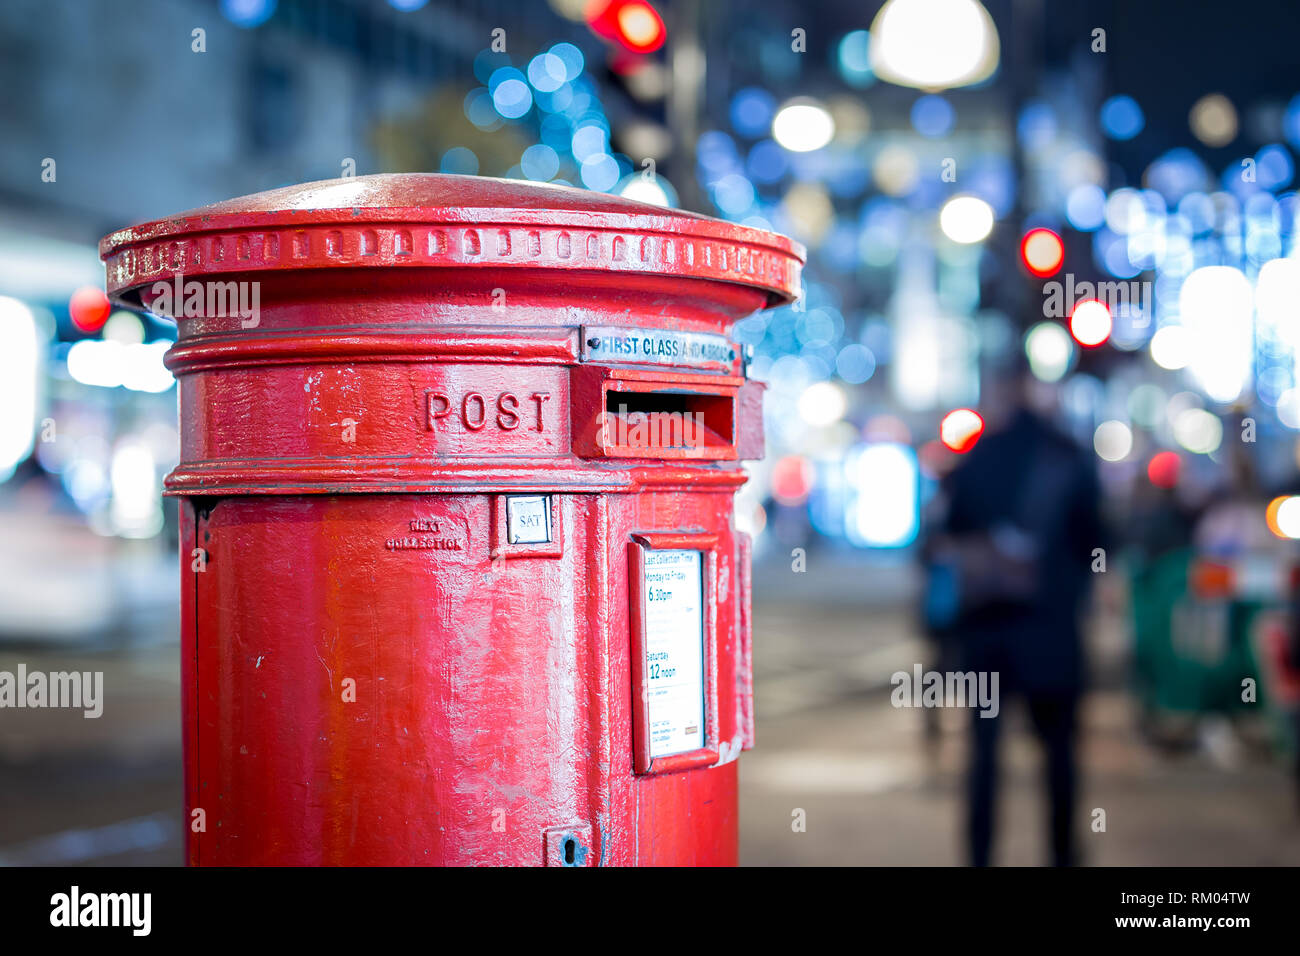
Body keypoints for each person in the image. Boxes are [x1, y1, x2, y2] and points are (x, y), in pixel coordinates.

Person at [930, 367, 1103, 866]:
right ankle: (1063, 852)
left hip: (987, 631)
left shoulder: (978, 458)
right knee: (1060, 755)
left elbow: (951, 531)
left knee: (984, 756)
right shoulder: (1069, 458)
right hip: (1051, 633)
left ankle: (980, 853)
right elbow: (1097, 539)